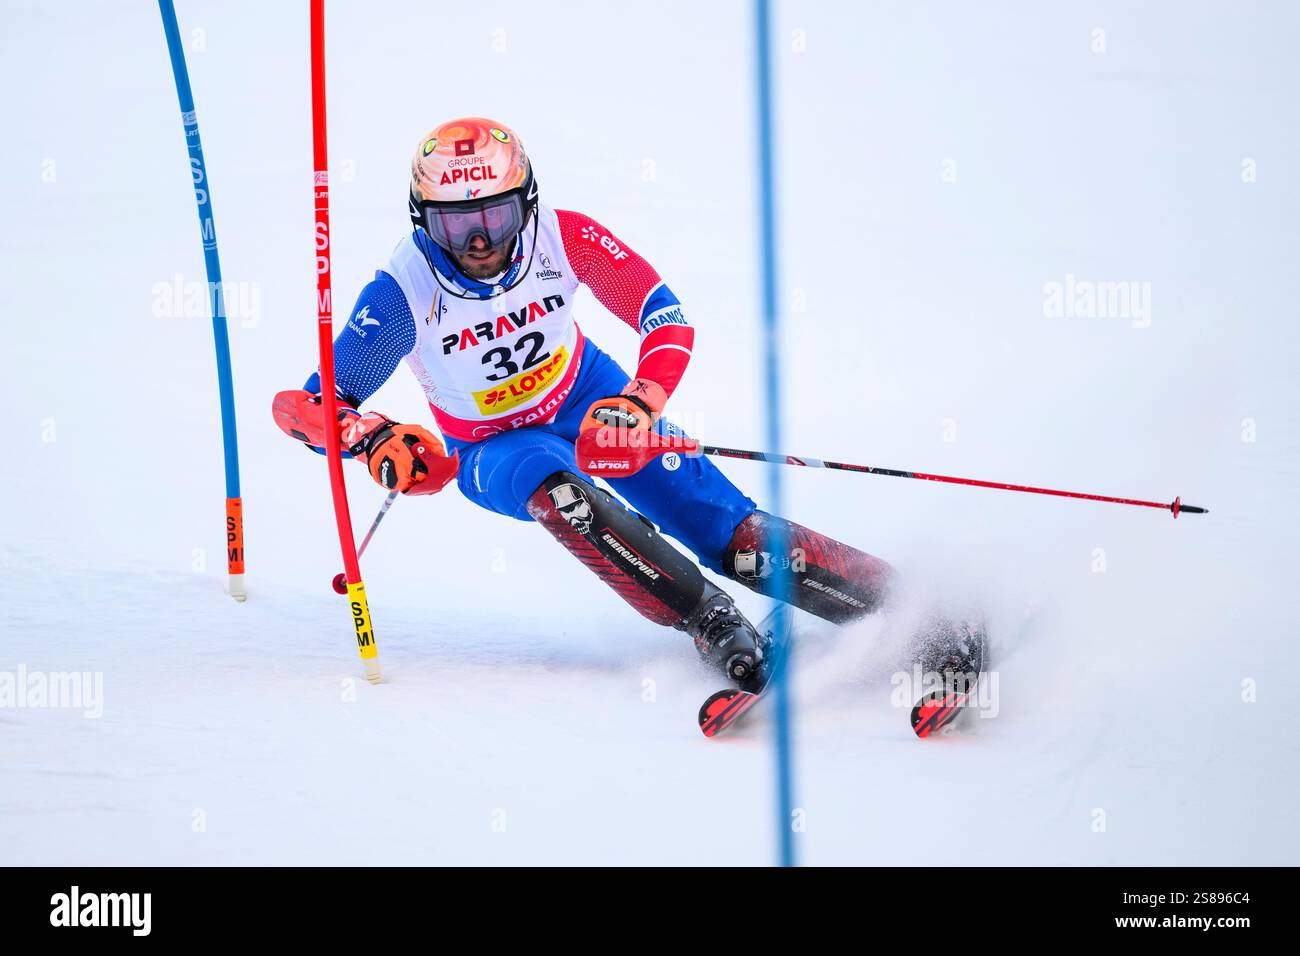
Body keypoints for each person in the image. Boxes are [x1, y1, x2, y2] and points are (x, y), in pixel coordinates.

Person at [274, 117, 892, 685]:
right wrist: (372, 438)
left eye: (497, 215)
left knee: (723, 529)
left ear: (527, 201)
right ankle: (712, 622)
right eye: (454, 224)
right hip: (491, 445)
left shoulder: (563, 237)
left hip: (589, 396)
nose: (481, 241)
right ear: (423, 220)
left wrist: (639, 402)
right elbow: (306, 407)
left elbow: (665, 316)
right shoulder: (402, 291)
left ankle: (901, 603)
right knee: (554, 486)